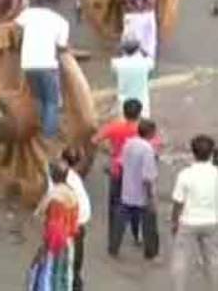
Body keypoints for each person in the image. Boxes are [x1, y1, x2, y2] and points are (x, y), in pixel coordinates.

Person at [92, 98, 144, 253]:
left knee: (115, 206)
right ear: (140, 113)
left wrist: (110, 152)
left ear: (124, 112)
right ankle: (137, 235)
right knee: (136, 205)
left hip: (118, 170)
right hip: (136, 173)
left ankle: (114, 239)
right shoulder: (143, 129)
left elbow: (94, 140)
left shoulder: (115, 127)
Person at [170, 134, 218, 291]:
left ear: (193, 153)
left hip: (189, 221)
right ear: (212, 153)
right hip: (212, 221)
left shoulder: (185, 175)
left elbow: (178, 202)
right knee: (213, 260)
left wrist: (174, 222)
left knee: (182, 261)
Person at [15, 3, 69, 138]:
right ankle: (48, 136)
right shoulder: (62, 22)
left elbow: (15, 28)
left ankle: (37, 133)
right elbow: (62, 46)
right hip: (47, 65)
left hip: (27, 65)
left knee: (38, 99)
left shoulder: (27, 14)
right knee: (51, 102)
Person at [111, 119, 159, 259]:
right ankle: (151, 252)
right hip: (142, 195)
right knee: (149, 225)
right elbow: (148, 177)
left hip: (127, 190)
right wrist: (151, 197)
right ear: (150, 133)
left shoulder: (129, 143)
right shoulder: (147, 149)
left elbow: (121, 162)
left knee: (120, 222)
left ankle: (113, 247)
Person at [28, 162, 80, 291]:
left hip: (54, 239)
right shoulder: (72, 193)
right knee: (65, 274)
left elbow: (40, 215)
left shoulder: (53, 196)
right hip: (68, 239)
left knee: (48, 273)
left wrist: (46, 244)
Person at [60, 148, 91, 291]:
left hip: (72, 226)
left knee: (70, 264)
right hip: (76, 225)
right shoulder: (73, 179)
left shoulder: (66, 179)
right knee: (74, 263)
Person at [111, 39, 154, 120]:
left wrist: (119, 51)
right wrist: (142, 50)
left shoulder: (117, 63)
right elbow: (149, 58)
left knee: (125, 125)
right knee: (143, 126)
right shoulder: (145, 63)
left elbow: (114, 58)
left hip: (124, 101)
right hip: (142, 101)